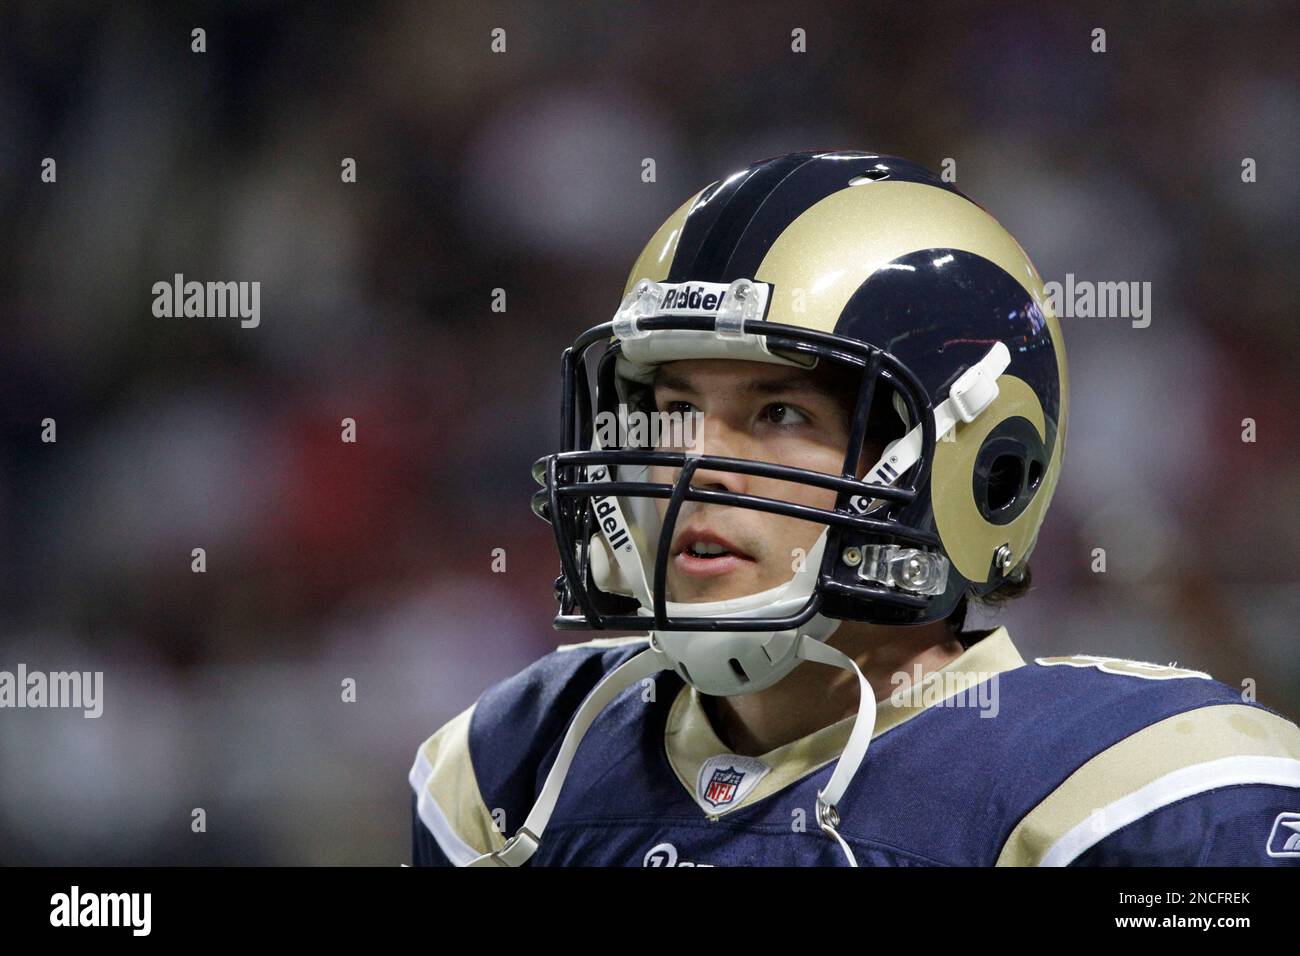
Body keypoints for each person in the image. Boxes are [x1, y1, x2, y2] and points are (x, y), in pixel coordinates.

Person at [410, 150, 1300, 866]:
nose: (696, 464)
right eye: (672, 408)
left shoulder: (1129, 795)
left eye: (778, 413)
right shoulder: (517, 768)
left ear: (981, 471)